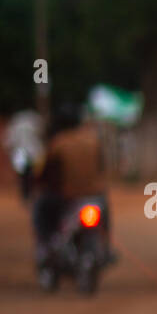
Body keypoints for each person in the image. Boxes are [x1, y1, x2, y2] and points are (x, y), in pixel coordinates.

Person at [31, 103, 110, 266]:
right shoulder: (93, 140)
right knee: (105, 211)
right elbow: (102, 166)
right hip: (95, 196)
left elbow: (43, 172)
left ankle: (45, 246)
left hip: (66, 197)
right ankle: (107, 248)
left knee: (40, 206)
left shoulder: (58, 142)